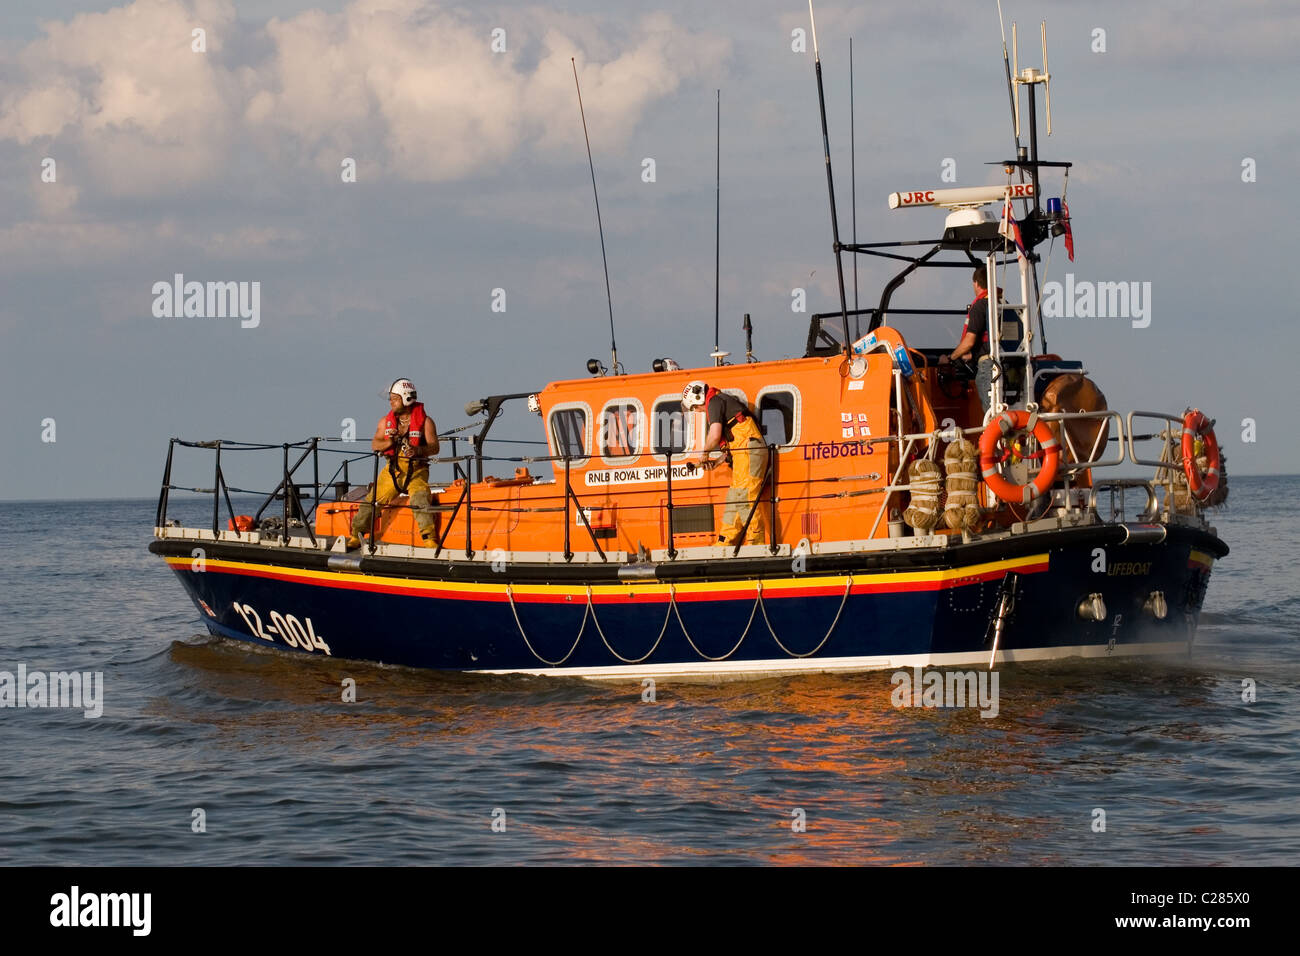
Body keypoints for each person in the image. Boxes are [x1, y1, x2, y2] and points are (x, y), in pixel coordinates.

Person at [346, 379, 440, 550]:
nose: (391, 402)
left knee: (420, 499)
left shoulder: (426, 422)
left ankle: (429, 539)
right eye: (390, 398)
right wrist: (390, 442)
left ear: (407, 399)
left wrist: (417, 450)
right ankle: (356, 535)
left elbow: (435, 447)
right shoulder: (385, 422)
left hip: (417, 470)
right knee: (372, 501)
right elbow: (375, 445)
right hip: (392, 470)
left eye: (395, 398)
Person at [681, 381, 769, 547]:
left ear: (698, 398)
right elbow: (731, 445)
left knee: (744, 497)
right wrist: (716, 462)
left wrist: (704, 454)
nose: (697, 411)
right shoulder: (720, 402)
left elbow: (714, 436)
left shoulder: (714, 402)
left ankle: (757, 544)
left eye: (695, 407)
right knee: (734, 499)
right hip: (743, 451)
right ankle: (724, 543)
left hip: (748, 449)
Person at [938, 267, 1011, 414]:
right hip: (1009, 365)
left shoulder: (979, 306)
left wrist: (951, 358)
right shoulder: (1004, 304)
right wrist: (972, 356)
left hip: (988, 367)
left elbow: (969, 341)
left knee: (993, 417)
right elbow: (995, 340)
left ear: (976, 284)